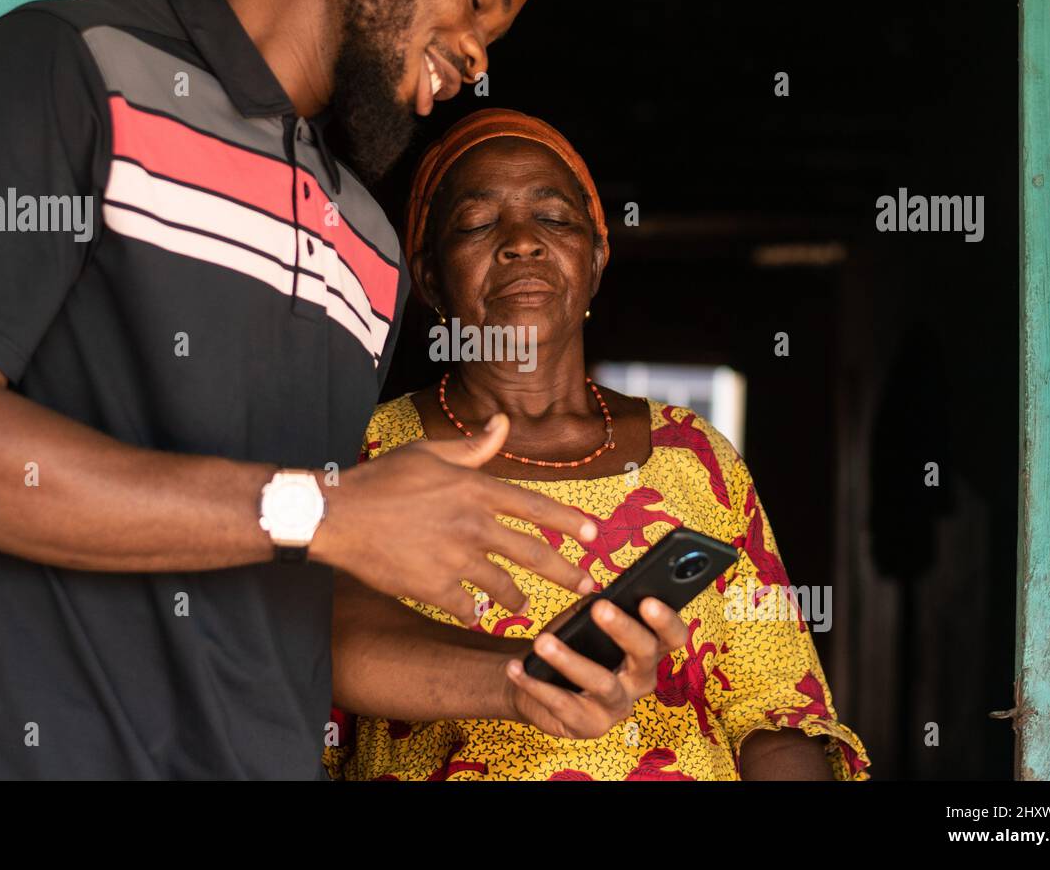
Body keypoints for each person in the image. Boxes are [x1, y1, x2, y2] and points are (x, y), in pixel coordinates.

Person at [0, 0, 689, 780]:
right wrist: (319, 509)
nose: (479, 56)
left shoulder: (367, 248)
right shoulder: (71, 66)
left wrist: (519, 682)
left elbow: (294, 588)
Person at [324, 109, 873, 780]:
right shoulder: (367, 453)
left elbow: (776, 712)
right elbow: (318, 656)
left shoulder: (693, 456)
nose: (521, 242)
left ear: (597, 258)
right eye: (476, 223)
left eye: (554, 220)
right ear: (431, 277)